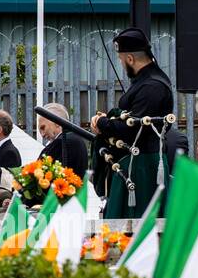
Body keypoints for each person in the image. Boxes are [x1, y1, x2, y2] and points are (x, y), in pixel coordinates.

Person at [89, 27, 175, 219]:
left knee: (137, 222)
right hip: (134, 163)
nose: (121, 64)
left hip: (143, 166)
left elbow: (133, 129)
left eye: (121, 59)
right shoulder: (146, 81)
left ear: (130, 59)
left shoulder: (152, 86)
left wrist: (102, 123)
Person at [37, 103, 87, 173]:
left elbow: (38, 171)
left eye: (43, 128)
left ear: (56, 122)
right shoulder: (77, 139)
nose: (42, 135)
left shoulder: (61, 142)